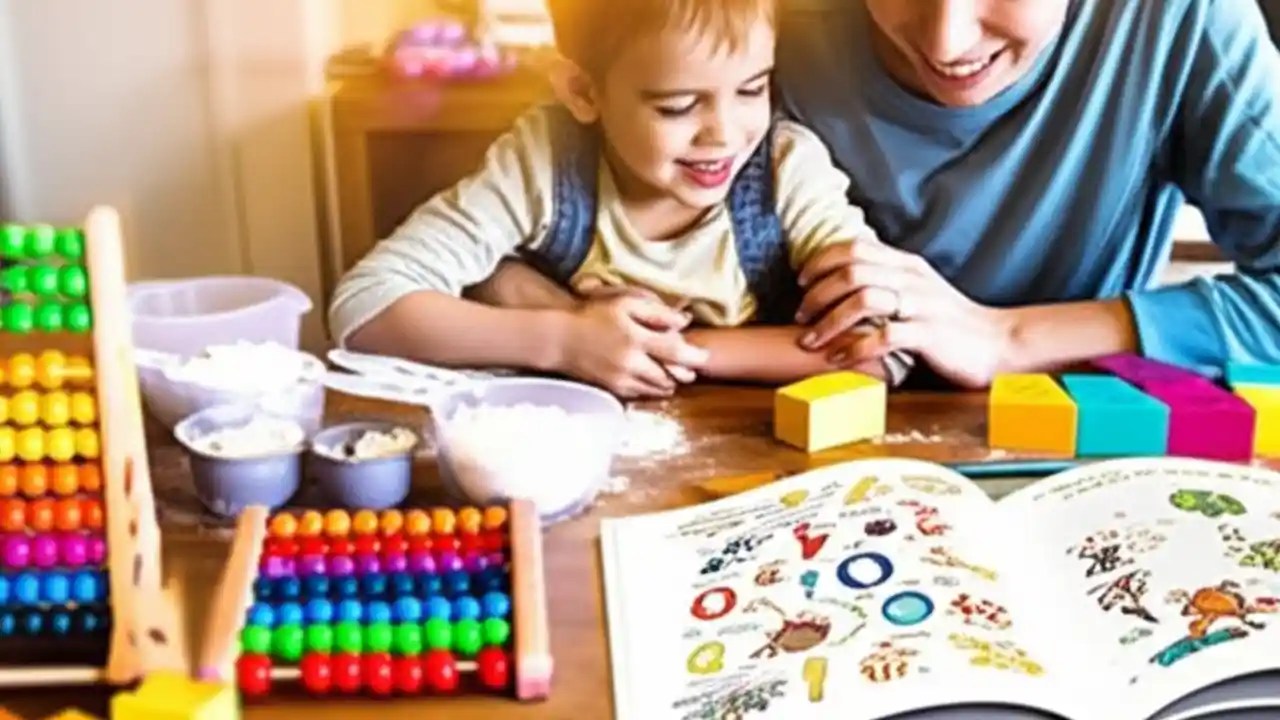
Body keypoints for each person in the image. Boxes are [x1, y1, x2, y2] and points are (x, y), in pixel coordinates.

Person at [467, 0, 1280, 390]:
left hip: (1066, 441)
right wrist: (539, 304)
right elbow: (561, 203)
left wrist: (1008, 337)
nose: (945, 41)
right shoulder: (774, 18)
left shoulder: (1186, 22)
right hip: (768, 429)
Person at [328, 0, 913, 398]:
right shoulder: (544, 164)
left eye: (752, 89)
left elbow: (881, 346)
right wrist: (564, 339)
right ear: (584, 92)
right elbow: (364, 308)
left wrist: (674, 350)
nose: (725, 133)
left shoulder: (787, 169)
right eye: (677, 106)